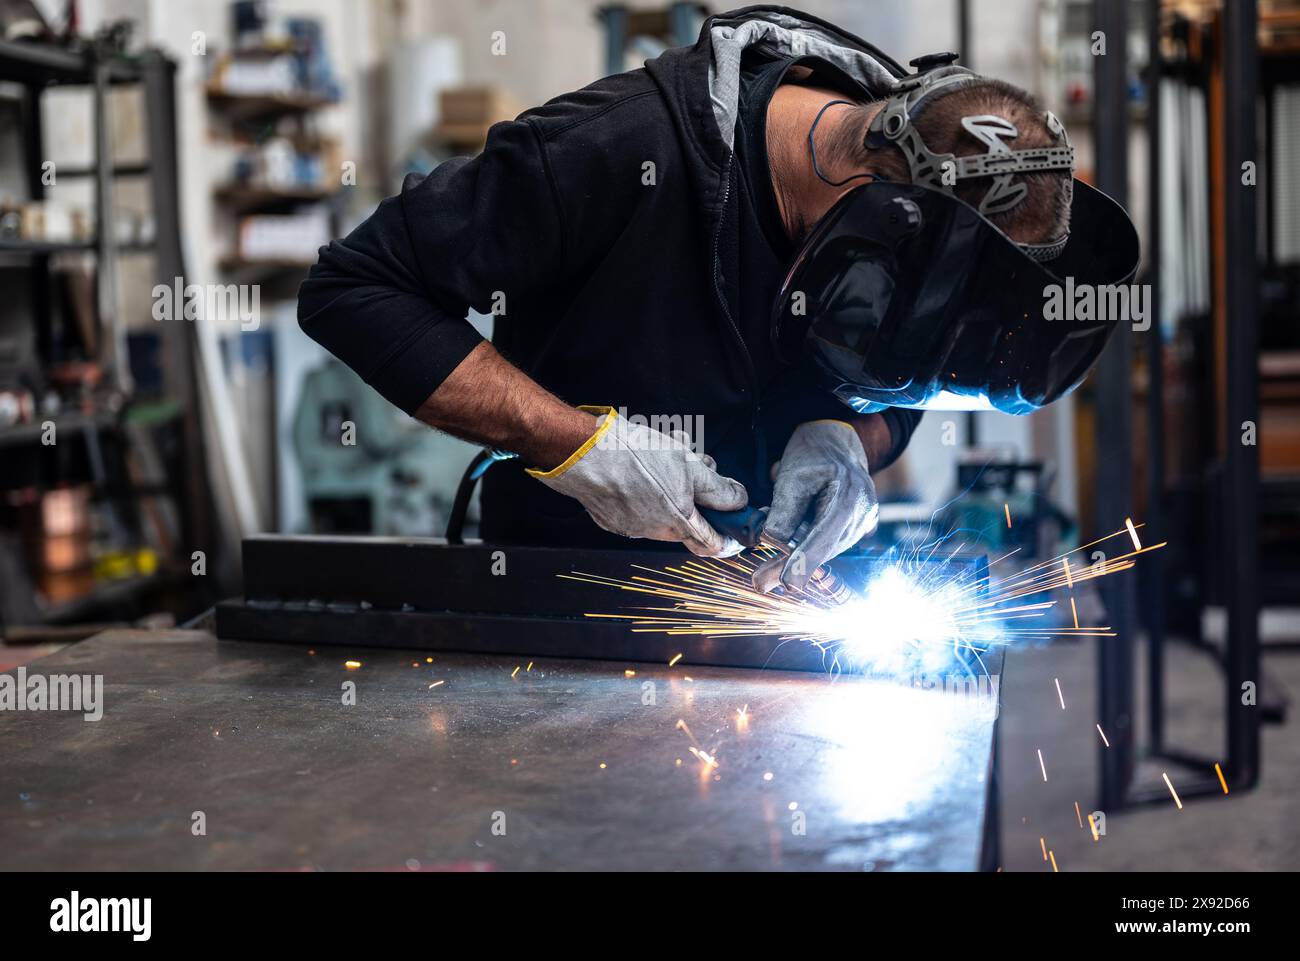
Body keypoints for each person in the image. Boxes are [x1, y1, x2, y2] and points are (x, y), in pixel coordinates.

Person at [297, 7, 1137, 594]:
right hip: (572, 600)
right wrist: (577, 445)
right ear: (876, 200)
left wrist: (850, 434)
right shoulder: (617, 148)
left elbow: (910, 373)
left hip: (784, 608)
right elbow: (355, 286)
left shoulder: (903, 237)